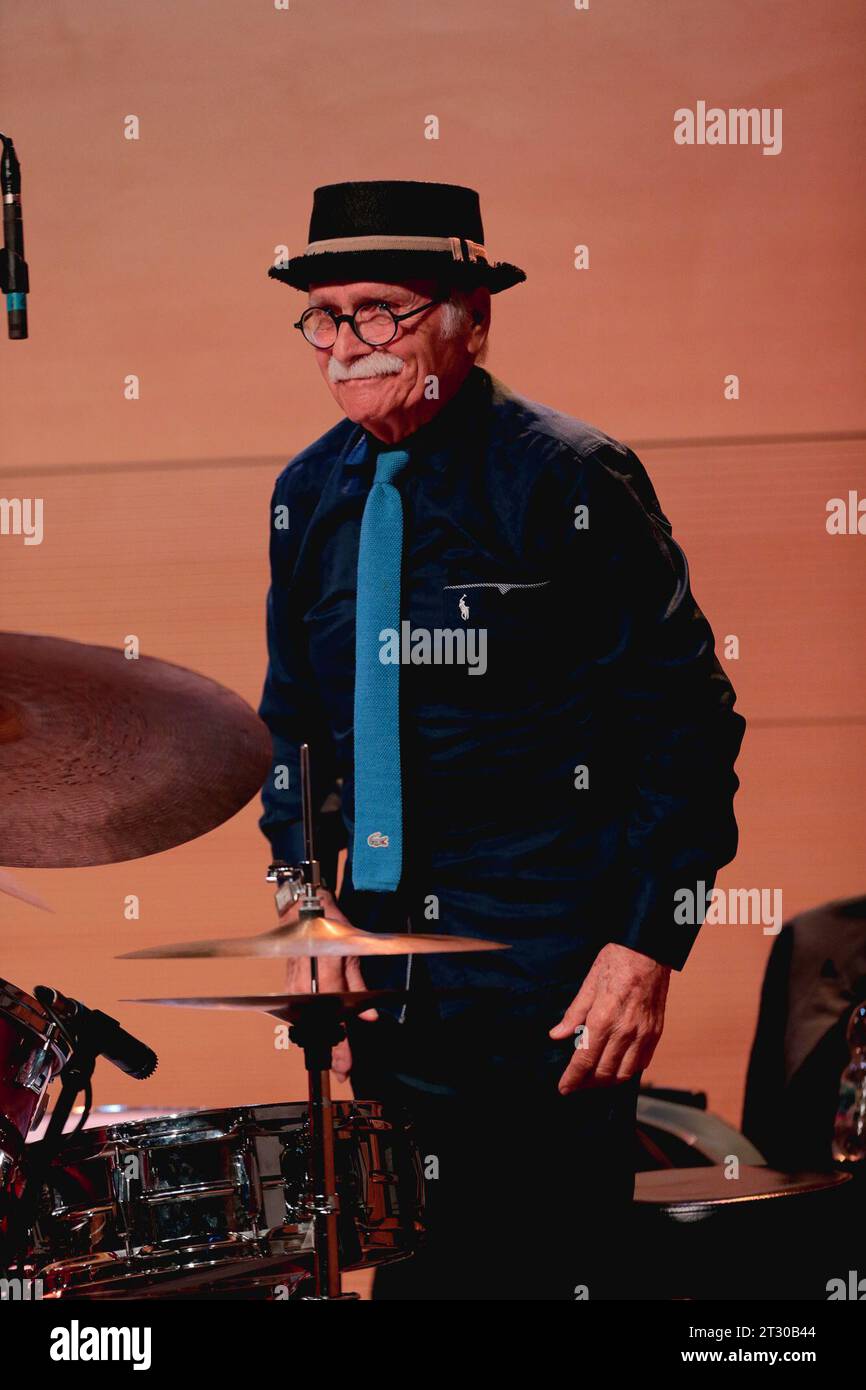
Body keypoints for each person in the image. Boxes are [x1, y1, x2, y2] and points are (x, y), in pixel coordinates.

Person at [258, 180, 746, 1299]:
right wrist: (301, 900)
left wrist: (646, 945)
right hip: (386, 989)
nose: (344, 344)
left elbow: (687, 723)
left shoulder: (568, 477)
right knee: (416, 1279)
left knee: (530, 1280)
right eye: (322, 316)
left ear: (469, 317)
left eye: (377, 308)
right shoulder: (305, 494)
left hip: (550, 983)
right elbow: (292, 727)